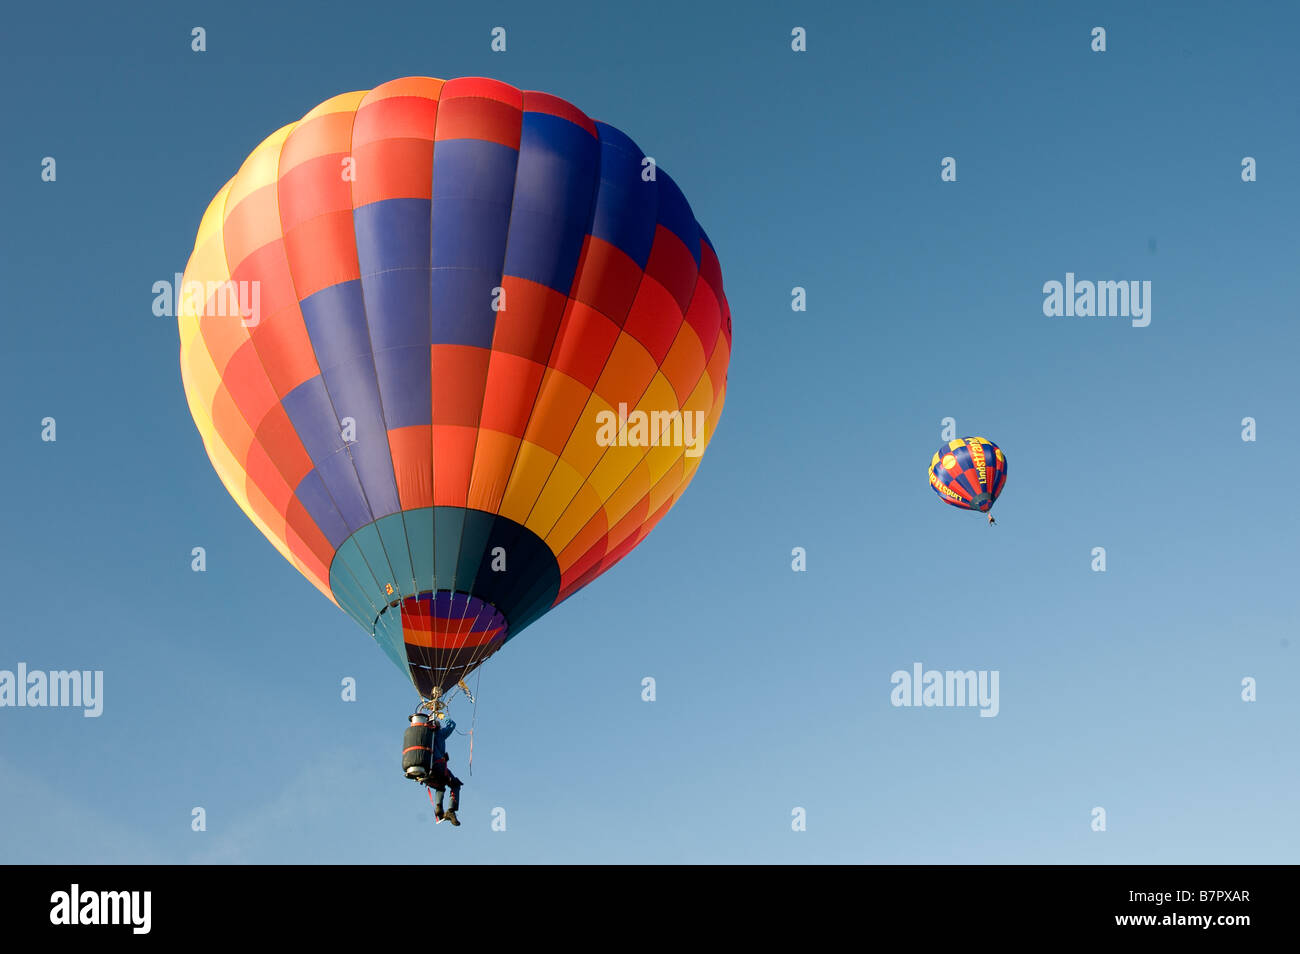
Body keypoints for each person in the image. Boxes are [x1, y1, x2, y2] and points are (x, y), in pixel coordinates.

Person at [428, 713, 462, 826]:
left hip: (427, 769)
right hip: (439, 766)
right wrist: (441, 715)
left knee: (440, 784)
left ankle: (438, 808)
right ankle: (451, 810)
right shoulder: (440, 734)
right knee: (455, 784)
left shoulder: (425, 736)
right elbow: (452, 724)